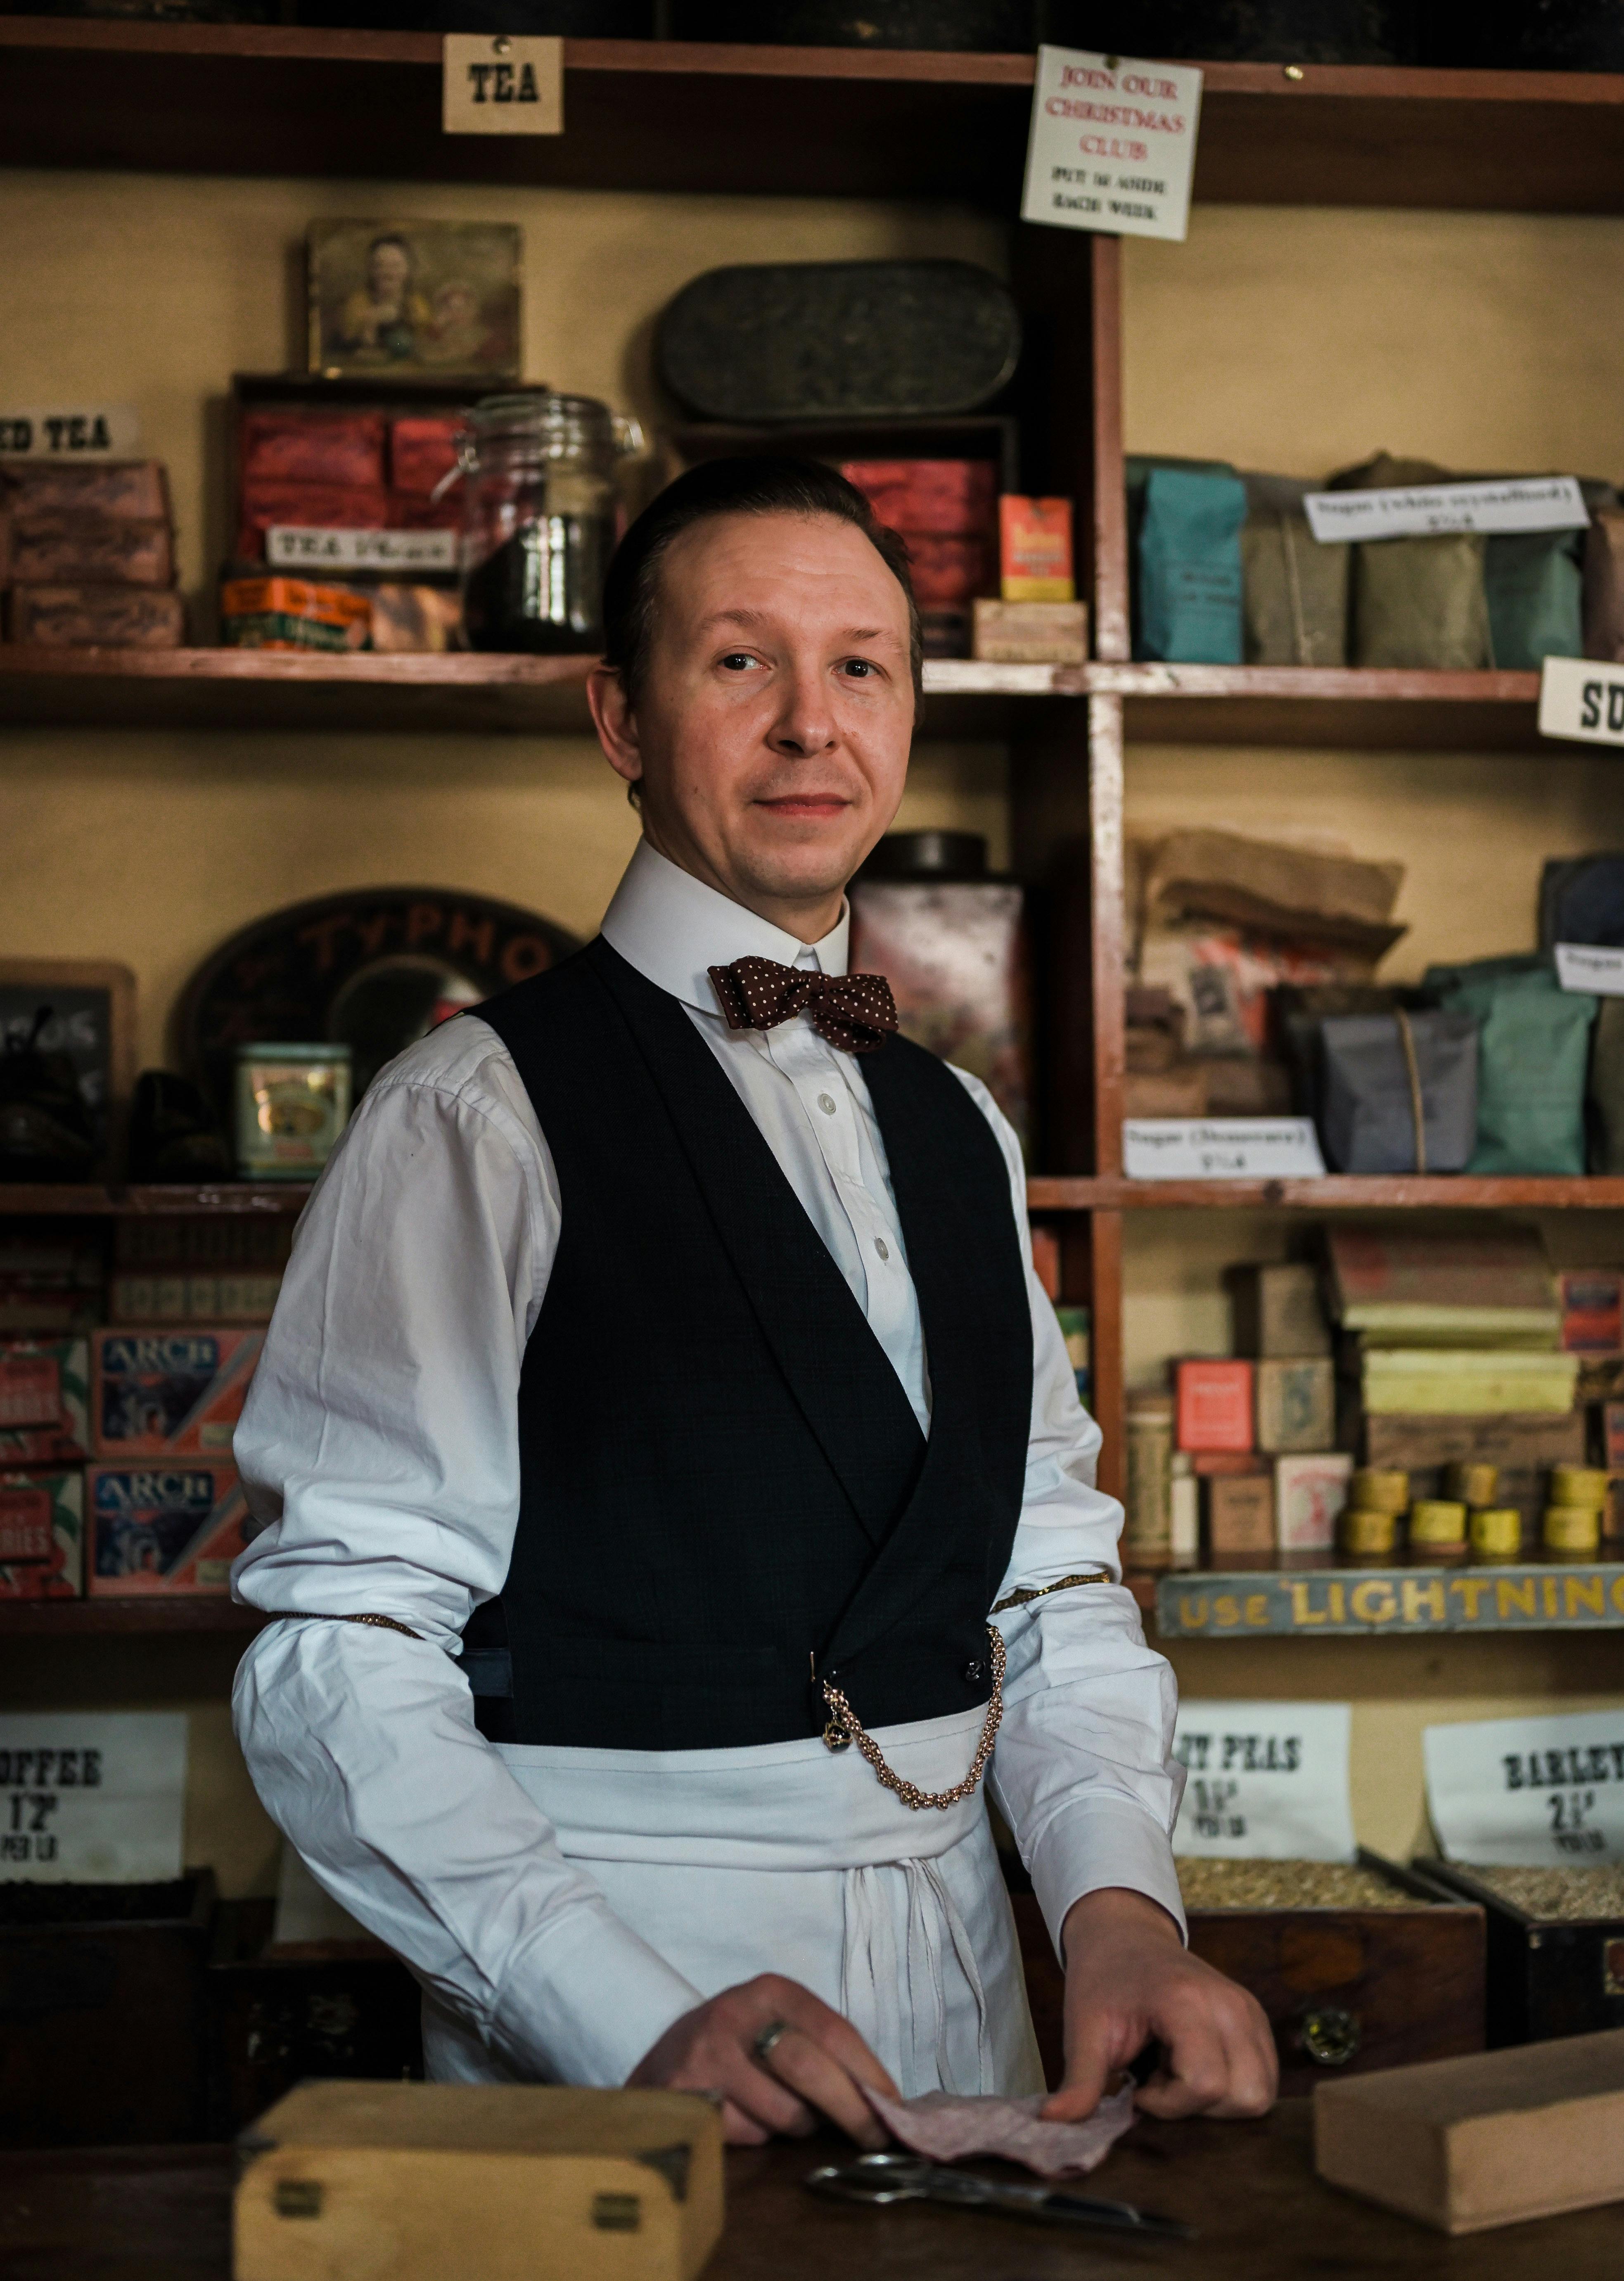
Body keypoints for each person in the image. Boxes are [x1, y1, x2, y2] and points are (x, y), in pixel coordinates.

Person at [230, 456, 1276, 2148]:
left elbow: (1053, 1579)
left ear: (911, 714)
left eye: (860, 664)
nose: (812, 723)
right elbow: (338, 1647)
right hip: (629, 2007)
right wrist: (617, 2008)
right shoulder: (471, 1114)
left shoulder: (964, 1126)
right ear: (621, 718)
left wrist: (1118, 1910)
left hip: (980, 1999)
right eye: (740, 661)